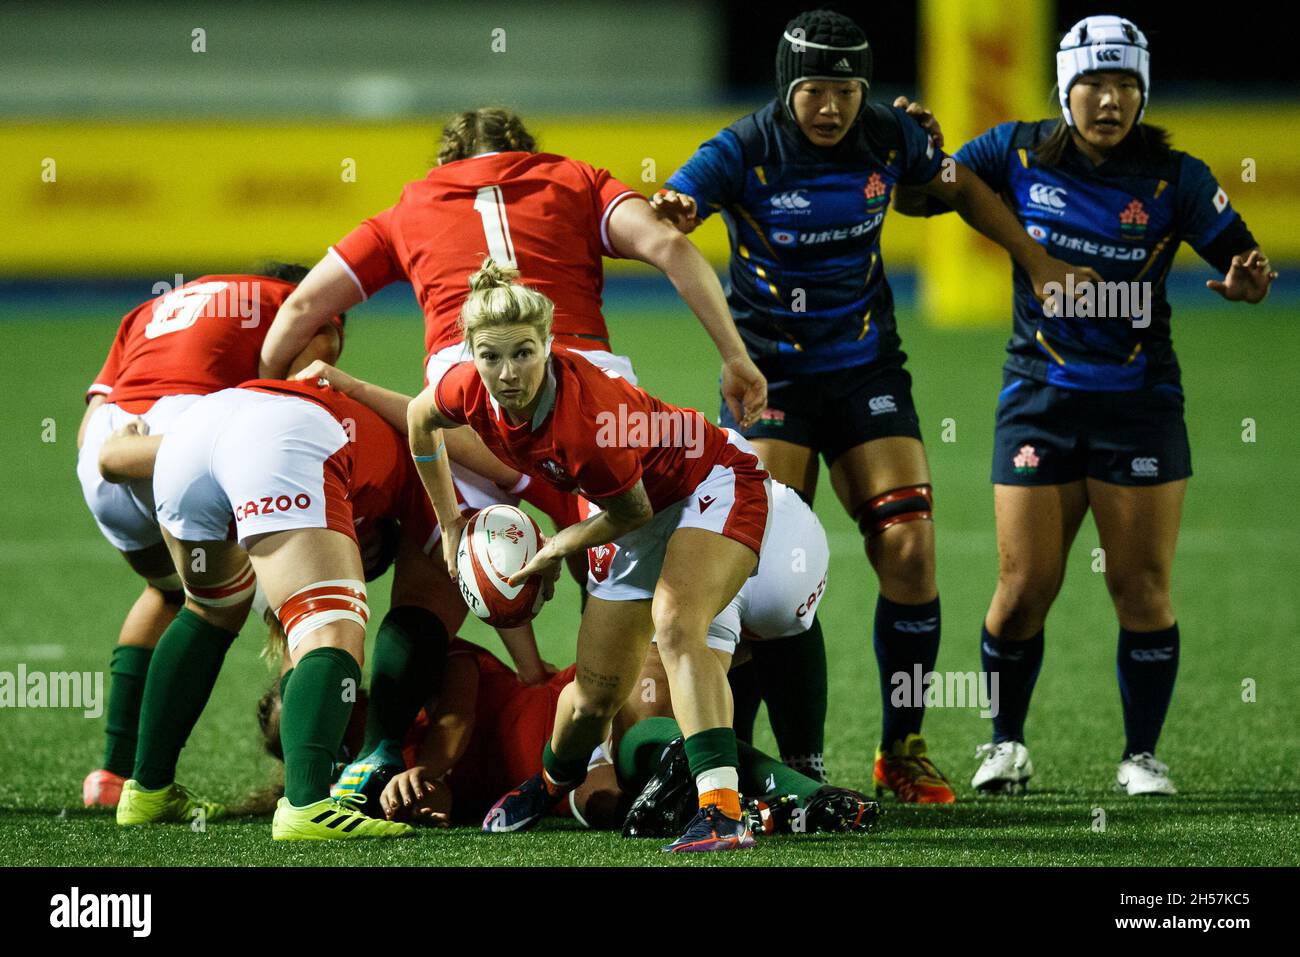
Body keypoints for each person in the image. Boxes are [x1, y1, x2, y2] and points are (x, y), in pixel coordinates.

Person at [650, 9, 1092, 803]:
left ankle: (903, 747)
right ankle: (744, 762)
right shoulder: (743, 148)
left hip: (865, 370)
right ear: (789, 88)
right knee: (758, 576)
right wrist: (676, 211)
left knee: (912, 549)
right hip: (770, 381)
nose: (831, 107)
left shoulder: (890, 137)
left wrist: (1037, 258)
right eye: (815, 89)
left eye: (847, 90)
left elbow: (959, 189)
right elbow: (674, 210)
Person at [896, 15, 1276, 795]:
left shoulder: (1177, 176)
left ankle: (1142, 756)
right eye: (1094, 84)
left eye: (1125, 86)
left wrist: (1248, 278)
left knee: (1140, 589)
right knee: (1024, 587)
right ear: (1065, 89)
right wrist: (916, 154)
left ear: (1143, 94)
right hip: (1038, 397)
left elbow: (1237, 252)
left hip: (1140, 403)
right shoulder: (1015, 150)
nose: (1109, 101)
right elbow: (924, 199)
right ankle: (1005, 744)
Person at [408, 260, 771, 852]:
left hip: (711, 481)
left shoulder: (588, 423)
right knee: (595, 694)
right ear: (469, 353)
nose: (507, 374)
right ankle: (552, 781)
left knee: (678, 628)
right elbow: (418, 421)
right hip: (632, 504)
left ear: (549, 345)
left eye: (524, 353)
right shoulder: (464, 387)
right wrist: (450, 520)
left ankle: (723, 813)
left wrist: (556, 549)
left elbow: (632, 512)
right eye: (491, 356)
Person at [257, 106, 766, 519]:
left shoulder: (407, 209)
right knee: (623, 559)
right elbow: (668, 244)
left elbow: (302, 304)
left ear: (447, 160)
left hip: (467, 396)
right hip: (587, 387)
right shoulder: (575, 180)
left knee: (448, 576)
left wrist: (265, 387)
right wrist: (734, 356)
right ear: (525, 148)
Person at [109, 330, 469, 840]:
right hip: (283, 436)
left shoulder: (362, 447)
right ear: (371, 536)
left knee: (209, 609)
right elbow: (455, 559)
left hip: (195, 434)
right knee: (333, 627)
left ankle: (146, 792)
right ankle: (307, 807)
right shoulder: (411, 475)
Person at [76, 265, 344, 807]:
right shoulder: (303, 301)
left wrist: (115, 454)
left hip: (109, 448)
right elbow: (298, 392)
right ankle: (312, 784)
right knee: (300, 606)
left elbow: (91, 419)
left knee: (171, 592)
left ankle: (113, 777)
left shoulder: (153, 307)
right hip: (190, 436)